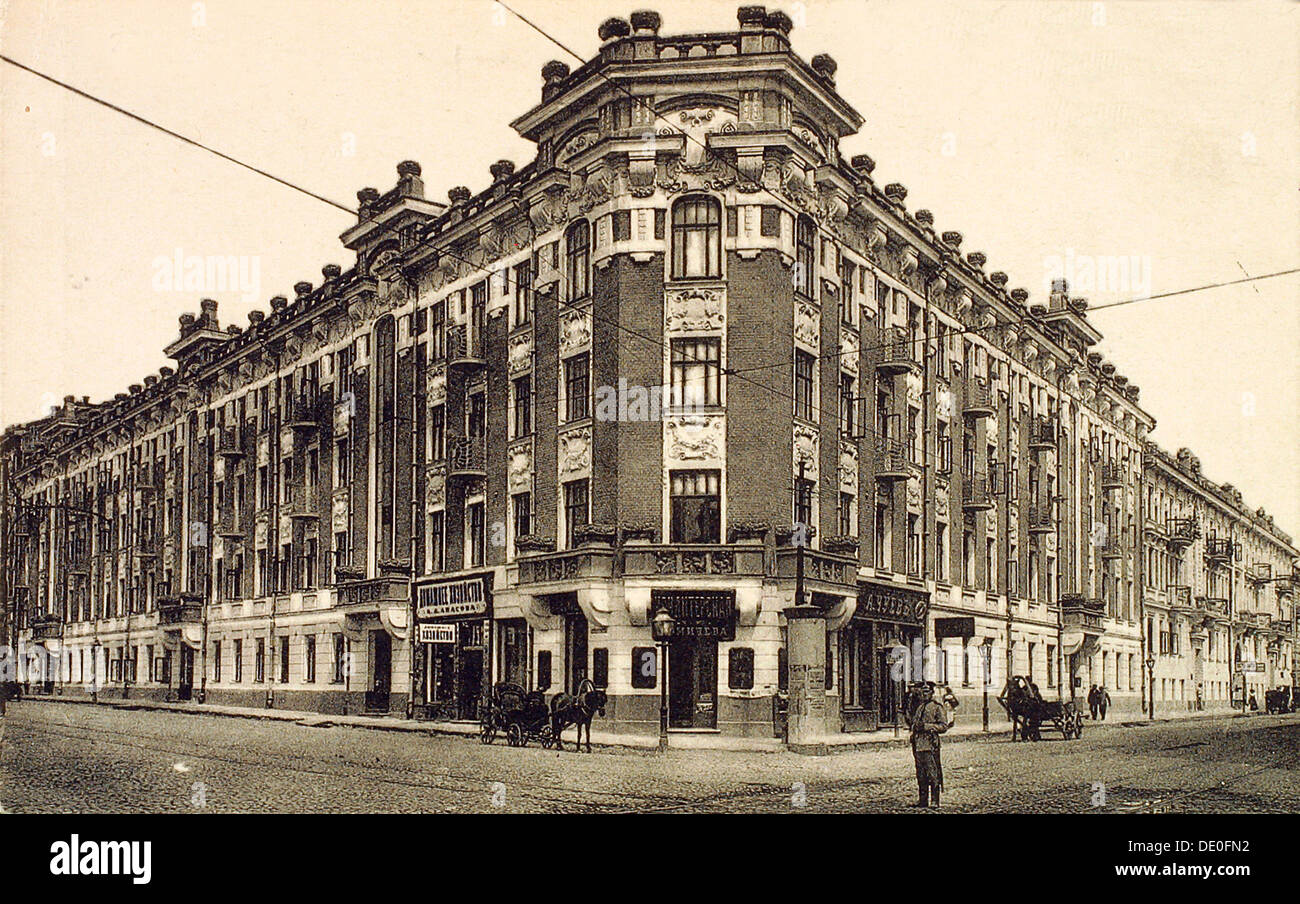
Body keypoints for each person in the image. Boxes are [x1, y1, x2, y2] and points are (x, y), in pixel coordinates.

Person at [909, 682, 948, 808]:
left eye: (926, 692)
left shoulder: (937, 707)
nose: (923, 695)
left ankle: (935, 801)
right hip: (918, 744)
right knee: (920, 773)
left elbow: (943, 726)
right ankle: (923, 800)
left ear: (932, 693)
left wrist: (926, 727)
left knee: (933, 773)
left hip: (930, 744)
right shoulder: (920, 707)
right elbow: (914, 723)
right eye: (922, 692)